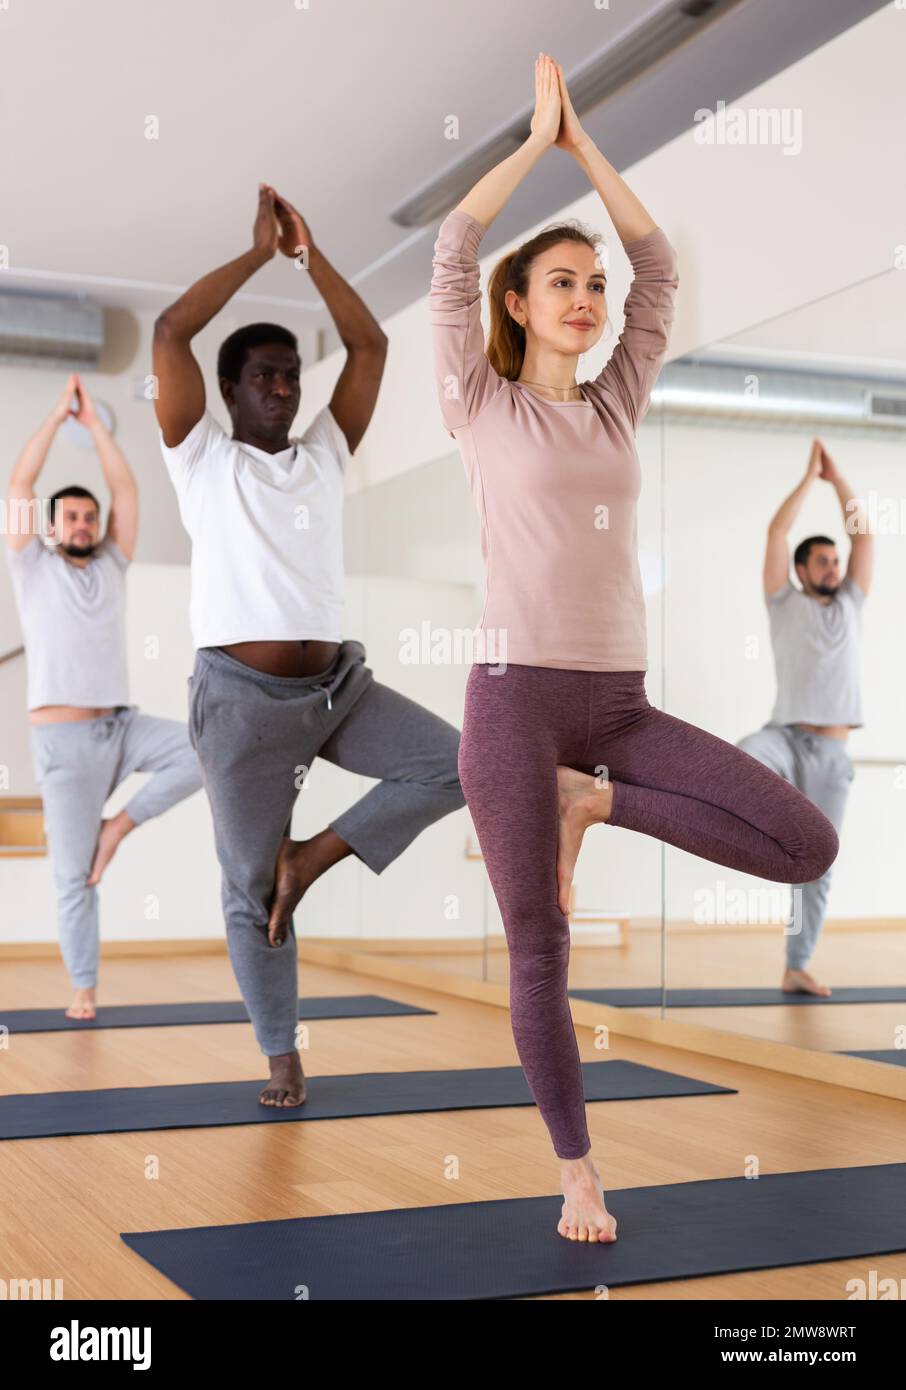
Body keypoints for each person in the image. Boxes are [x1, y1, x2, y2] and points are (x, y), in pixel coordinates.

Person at [429, 54, 839, 1244]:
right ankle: (577, 1170)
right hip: (512, 701)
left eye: (592, 287)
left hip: (615, 709)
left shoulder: (612, 404)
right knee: (539, 946)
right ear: (518, 304)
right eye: (563, 281)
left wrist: (588, 148)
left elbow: (660, 265)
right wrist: (532, 141)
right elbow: (452, 252)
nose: (590, 298)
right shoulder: (478, 400)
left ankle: (590, 805)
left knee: (805, 842)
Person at [152, 184, 465, 1109]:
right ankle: (281, 1050)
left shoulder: (326, 452)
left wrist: (311, 257)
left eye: (291, 373)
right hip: (243, 706)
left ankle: (313, 858)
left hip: (339, 687)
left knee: (456, 765)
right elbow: (170, 331)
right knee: (247, 888)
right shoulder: (200, 456)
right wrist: (258, 253)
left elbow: (371, 345)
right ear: (231, 389)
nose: (284, 387)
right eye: (265, 376)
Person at [4, 375, 203, 1021]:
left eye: (90, 516)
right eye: (73, 517)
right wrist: (55, 416)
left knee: (208, 747)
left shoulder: (114, 564)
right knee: (73, 875)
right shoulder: (31, 566)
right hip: (64, 747)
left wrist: (94, 427)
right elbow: (20, 486)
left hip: (122, 727)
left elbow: (127, 489)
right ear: (54, 527)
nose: (85, 523)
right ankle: (84, 987)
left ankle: (119, 825)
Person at [736, 439, 872, 998]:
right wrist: (805, 480)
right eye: (823, 561)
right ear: (801, 568)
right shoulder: (783, 602)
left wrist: (838, 481)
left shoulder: (851, 605)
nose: (835, 568)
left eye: (836, 561)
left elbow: (863, 532)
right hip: (785, 738)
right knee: (742, 752)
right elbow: (775, 533)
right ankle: (754, 837)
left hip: (832, 754)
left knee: (819, 863)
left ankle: (796, 966)